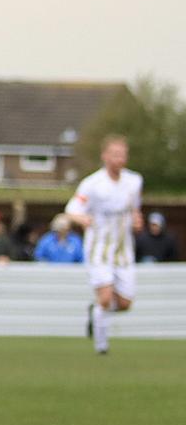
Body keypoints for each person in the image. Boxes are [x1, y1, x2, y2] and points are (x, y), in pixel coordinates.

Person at [66, 135, 141, 355]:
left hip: (124, 251)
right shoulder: (92, 184)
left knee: (125, 303)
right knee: (106, 296)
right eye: (115, 154)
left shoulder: (134, 181)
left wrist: (137, 221)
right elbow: (71, 210)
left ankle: (96, 312)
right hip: (98, 249)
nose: (120, 159)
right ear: (105, 156)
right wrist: (82, 219)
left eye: (123, 155)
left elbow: (135, 210)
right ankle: (101, 345)